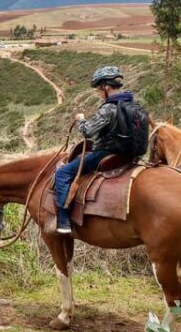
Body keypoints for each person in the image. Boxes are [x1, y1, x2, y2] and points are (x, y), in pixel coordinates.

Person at [44, 66, 146, 235]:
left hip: (107, 153)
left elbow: (88, 132)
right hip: (130, 155)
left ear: (106, 87)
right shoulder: (134, 105)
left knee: (63, 173)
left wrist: (81, 120)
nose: (98, 93)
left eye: (99, 89)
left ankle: (63, 221)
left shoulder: (108, 108)